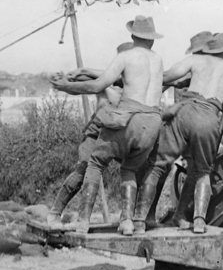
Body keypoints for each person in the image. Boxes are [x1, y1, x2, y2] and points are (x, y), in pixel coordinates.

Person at [50, 15, 164, 235]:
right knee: (129, 169)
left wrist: (65, 86)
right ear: (152, 39)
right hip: (152, 122)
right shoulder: (158, 60)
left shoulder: (126, 56)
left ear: (132, 36)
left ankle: (83, 221)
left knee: (95, 163)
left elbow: (97, 85)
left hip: (129, 117)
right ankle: (128, 221)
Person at [135, 33, 223, 234]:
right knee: (202, 171)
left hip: (183, 113)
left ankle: (140, 220)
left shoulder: (195, 60)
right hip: (208, 117)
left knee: (157, 166)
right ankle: (198, 221)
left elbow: (165, 77)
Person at [46, 42, 133, 229]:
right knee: (83, 171)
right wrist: (63, 83)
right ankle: (55, 213)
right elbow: (78, 85)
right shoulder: (105, 79)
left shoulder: (137, 85)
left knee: (134, 170)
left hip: (120, 136)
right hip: (97, 132)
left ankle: (129, 218)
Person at [142, 30, 213, 228]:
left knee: (188, 171)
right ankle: (150, 215)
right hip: (178, 126)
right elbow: (163, 83)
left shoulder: (201, 68)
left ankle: (177, 215)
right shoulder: (190, 66)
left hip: (189, 127)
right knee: (163, 168)